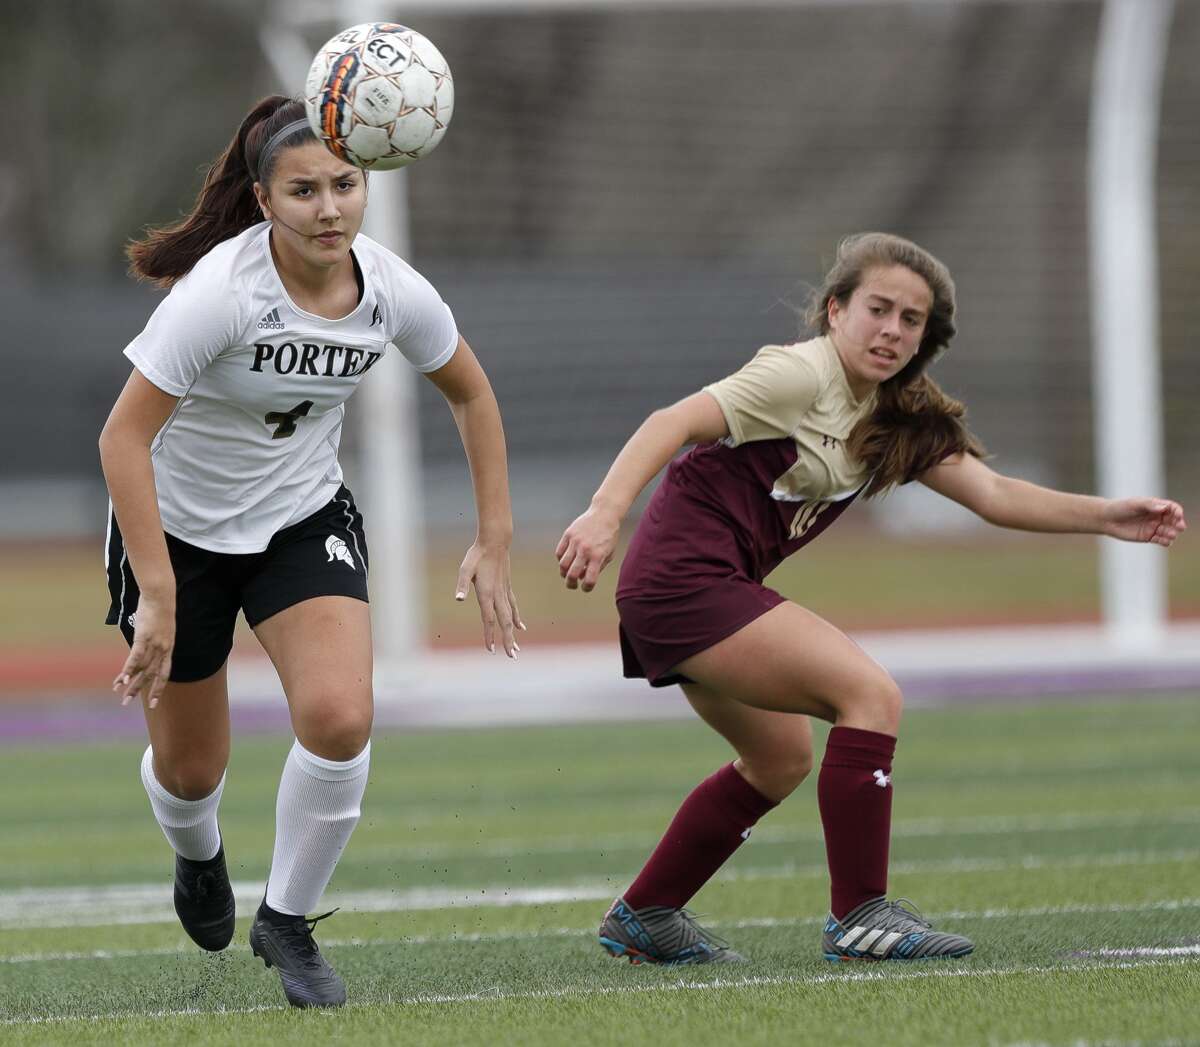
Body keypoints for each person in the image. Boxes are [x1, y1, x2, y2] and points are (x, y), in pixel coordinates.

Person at [555, 232, 1186, 965]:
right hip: (683, 583)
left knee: (779, 759)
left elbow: (993, 493)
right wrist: (603, 513)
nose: (891, 330)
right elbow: (670, 422)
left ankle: (646, 912)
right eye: (877, 309)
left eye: (910, 320)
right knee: (870, 695)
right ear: (835, 310)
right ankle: (859, 917)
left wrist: (1109, 516)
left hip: (696, 589)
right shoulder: (798, 374)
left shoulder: (893, 412)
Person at [99, 95, 523, 1008]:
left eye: (345, 184)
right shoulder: (221, 292)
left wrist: (493, 535)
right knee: (191, 771)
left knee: (338, 718)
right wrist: (159, 593)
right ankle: (197, 852)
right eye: (303, 191)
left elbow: (472, 392)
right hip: (179, 535)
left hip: (300, 518)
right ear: (263, 200)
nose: (330, 208)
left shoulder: (393, 290)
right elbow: (121, 439)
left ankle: (287, 919)